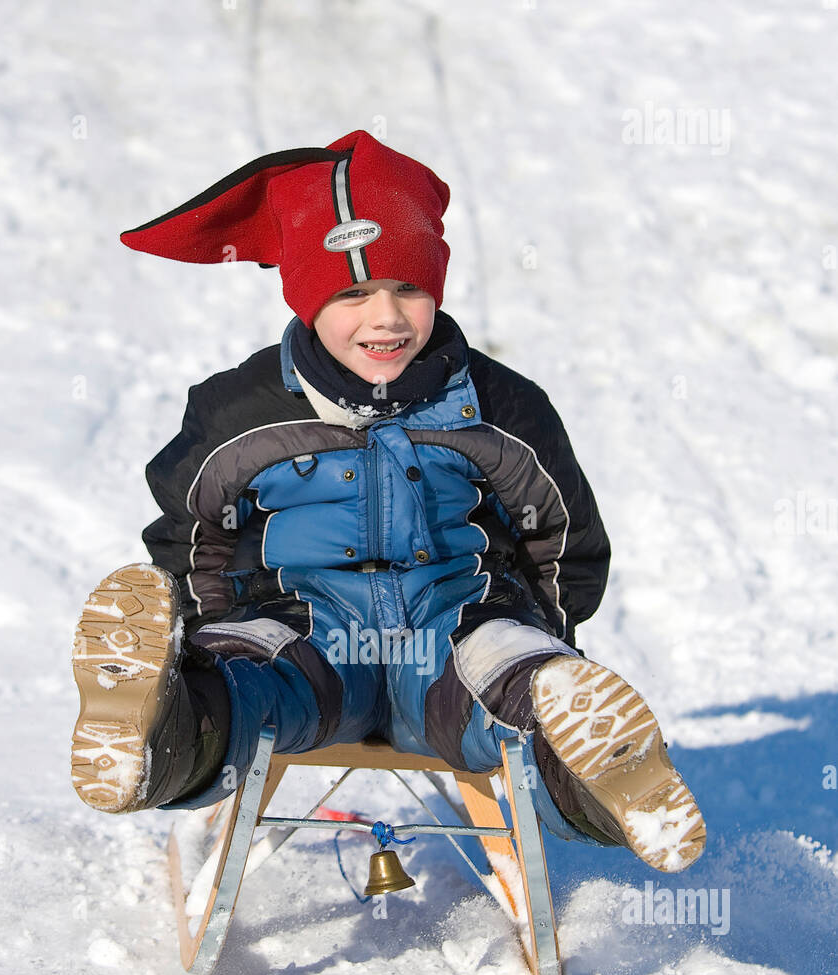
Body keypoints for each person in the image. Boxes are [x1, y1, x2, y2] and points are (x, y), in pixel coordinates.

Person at [70, 130, 705, 874]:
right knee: (241, 681)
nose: (387, 317)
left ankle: (604, 774)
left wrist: (538, 625)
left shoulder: (500, 406)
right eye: (352, 293)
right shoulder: (240, 409)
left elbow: (563, 538)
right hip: (305, 630)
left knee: (517, 682)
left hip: (454, 628)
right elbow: (191, 537)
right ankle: (153, 735)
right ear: (309, 299)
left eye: (409, 288)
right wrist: (221, 618)